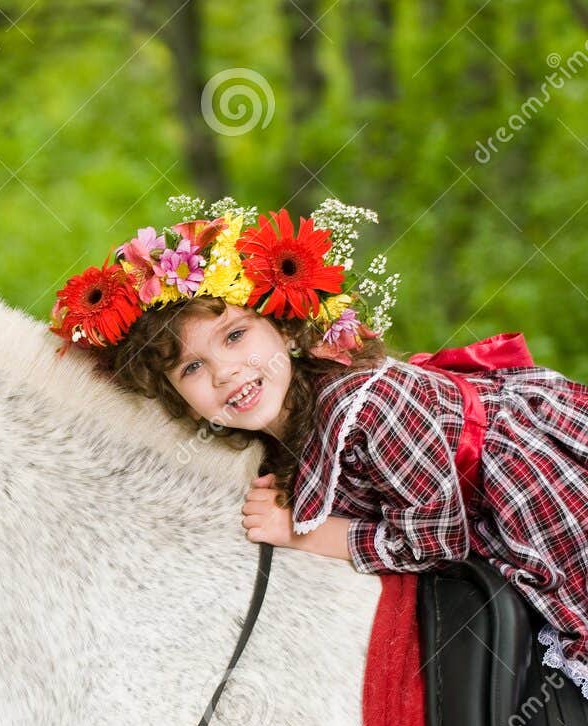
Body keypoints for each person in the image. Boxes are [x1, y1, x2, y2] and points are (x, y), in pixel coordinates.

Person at [50, 197, 588, 697]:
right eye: (192, 368)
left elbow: (436, 542)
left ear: (284, 329)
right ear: (178, 398)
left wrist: (305, 535)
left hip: (532, 492)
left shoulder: (368, 407)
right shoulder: (283, 430)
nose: (226, 372)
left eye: (235, 336)